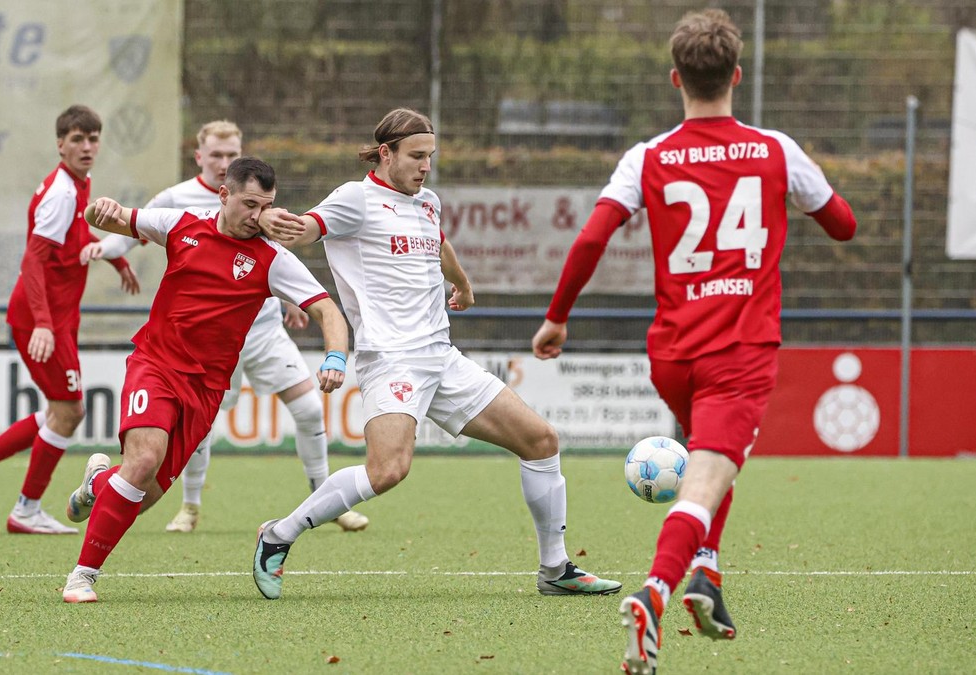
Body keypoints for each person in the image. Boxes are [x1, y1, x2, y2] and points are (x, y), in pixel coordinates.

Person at [530, 10, 858, 674]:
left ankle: (707, 572)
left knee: (714, 457)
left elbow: (593, 236)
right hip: (740, 348)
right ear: (736, 75)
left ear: (676, 78)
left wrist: (558, 316)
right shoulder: (775, 150)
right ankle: (657, 589)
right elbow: (844, 225)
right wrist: (795, 200)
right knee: (709, 472)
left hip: (672, 353)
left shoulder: (647, 155)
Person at [252, 107, 622, 601]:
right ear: (385, 153)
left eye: (431, 156)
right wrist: (280, 221)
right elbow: (310, 227)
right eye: (417, 156)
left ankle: (555, 568)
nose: (426, 166)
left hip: (441, 357)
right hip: (391, 358)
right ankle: (278, 534)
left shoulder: (427, 202)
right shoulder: (356, 199)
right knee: (388, 470)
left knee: (541, 440)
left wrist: (463, 284)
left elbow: (437, 242)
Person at [60, 157, 350, 603]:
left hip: (206, 389)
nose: (258, 216)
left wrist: (335, 356)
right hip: (155, 364)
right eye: (249, 204)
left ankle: (97, 482)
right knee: (142, 462)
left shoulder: (273, 259)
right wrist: (100, 211)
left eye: (267, 206)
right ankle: (82, 575)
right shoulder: (182, 225)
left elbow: (327, 310)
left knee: (144, 492)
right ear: (223, 195)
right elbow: (120, 219)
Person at [83, 120, 368, 534]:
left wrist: (290, 300)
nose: (222, 162)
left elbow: (289, 270)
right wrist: (105, 243)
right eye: (215, 155)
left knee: (308, 410)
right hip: (194, 347)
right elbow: (123, 225)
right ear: (201, 159)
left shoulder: (260, 212)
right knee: (173, 450)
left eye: (230, 154)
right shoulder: (179, 204)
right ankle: (190, 506)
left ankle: (325, 501)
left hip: (263, 329)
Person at [0, 105, 139, 535]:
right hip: (41, 319)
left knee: (60, 410)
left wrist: (115, 261)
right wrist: (45, 324)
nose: (87, 147)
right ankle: (26, 510)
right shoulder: (62, 192)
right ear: (60, 144)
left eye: (93, 138)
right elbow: (33, 258)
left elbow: (74, 235)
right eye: (77, 139)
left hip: (54, 317)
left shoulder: (77, 185)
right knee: (70, 412)